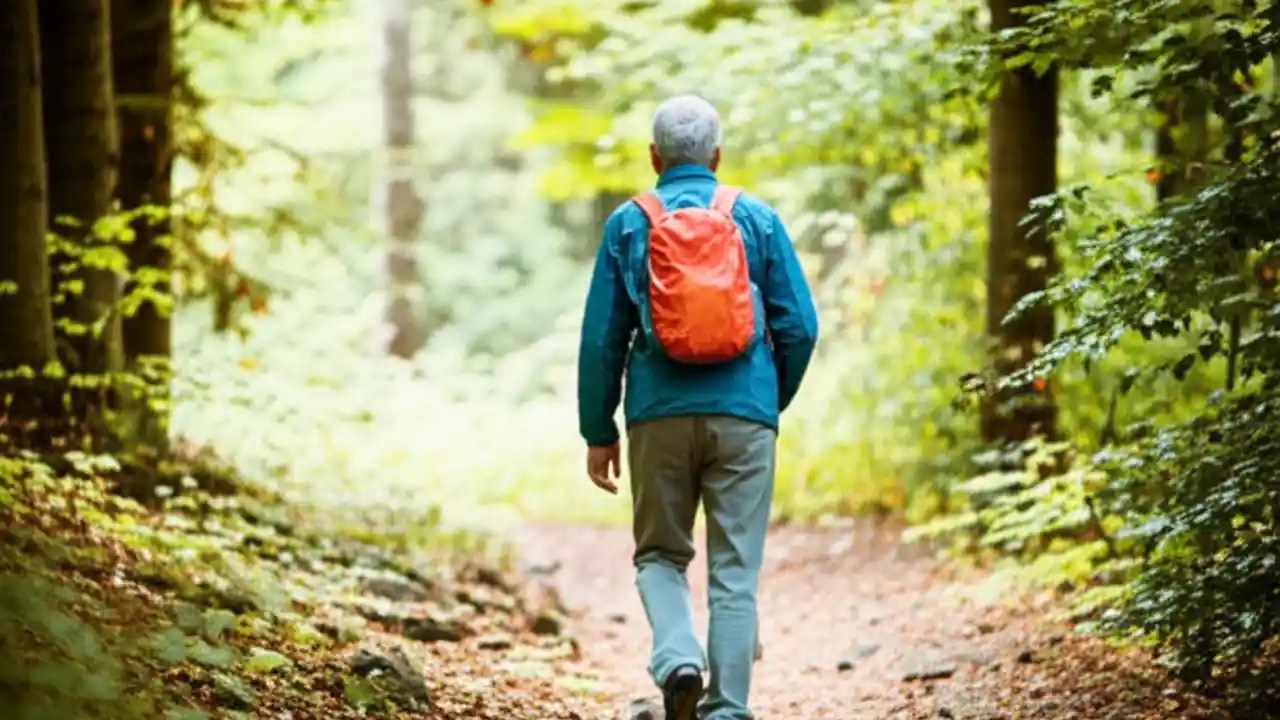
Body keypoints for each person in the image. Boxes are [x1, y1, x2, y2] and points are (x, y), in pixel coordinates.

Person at [576, 94, 819, 720]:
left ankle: (678, 657)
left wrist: (597, 429)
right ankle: (727, 709)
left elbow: (603, 338)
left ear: (654, 156)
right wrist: (767, 400)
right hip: (744, 416)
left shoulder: (629, 223)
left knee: (660, 554)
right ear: (716, 155)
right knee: (735, 572)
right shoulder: (756, 218)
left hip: (658, 413)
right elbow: (801, 327)